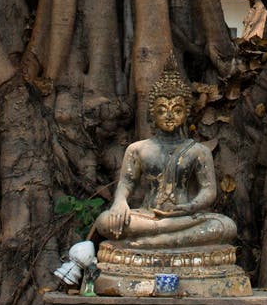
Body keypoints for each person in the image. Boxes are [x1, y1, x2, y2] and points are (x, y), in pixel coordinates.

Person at [95, 55, 237, 249]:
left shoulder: (198, 151)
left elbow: (208, 191)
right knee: (105, 222)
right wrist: (119, 203)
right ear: (152, 114)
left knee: (224, 226)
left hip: (185, 216)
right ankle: (167, 239)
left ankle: (151, 242)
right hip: (148, 216)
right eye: (162, 110)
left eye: (176, 110)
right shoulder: (137, 149)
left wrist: (188, 208)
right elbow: (126, 183)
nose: (169, 116)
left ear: (186, 113)